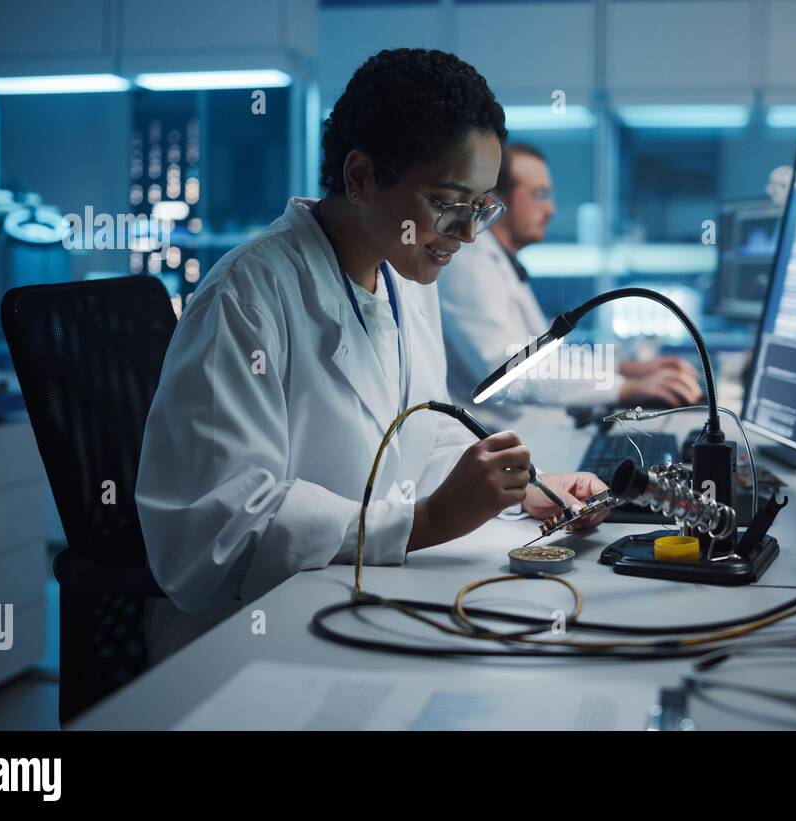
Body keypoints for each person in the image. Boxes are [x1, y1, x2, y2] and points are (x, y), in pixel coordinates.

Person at [135, 49, 608, 660]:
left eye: (482, 207)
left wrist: (518, 490)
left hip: (366, 600)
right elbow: (220, 532)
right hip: (249, 640)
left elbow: (423, 443)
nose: (467, 234)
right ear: (360, 177)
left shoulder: (404, 278)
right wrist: (426, 521)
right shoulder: (247, 296)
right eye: (447, 202)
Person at [438, 143, 703, 413]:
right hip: (492, 433)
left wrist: (628, 370)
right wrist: (626, 389)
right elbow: (510, 372)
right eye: (540, 195)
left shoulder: (501, 261)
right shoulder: (469, 264)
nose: (551, 209)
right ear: (496, 200)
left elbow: (545, 357)